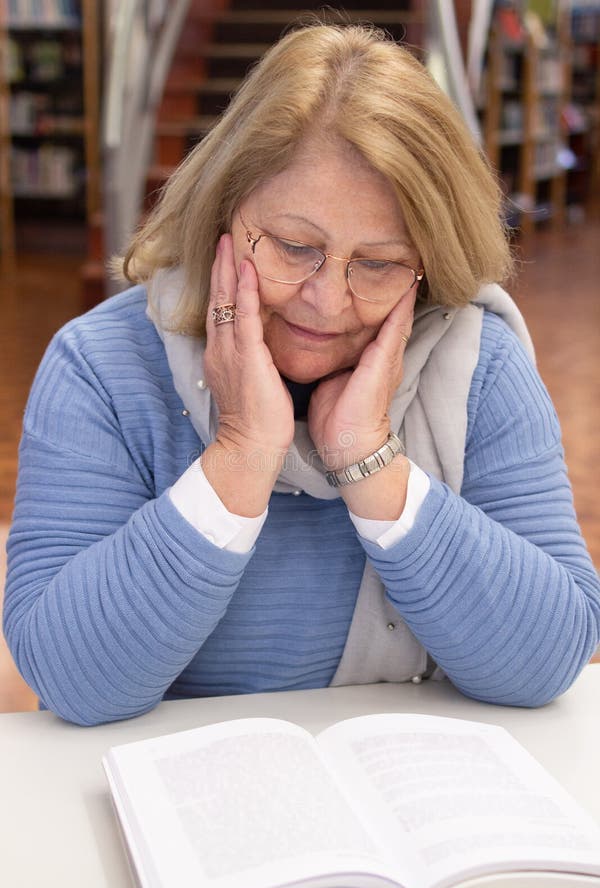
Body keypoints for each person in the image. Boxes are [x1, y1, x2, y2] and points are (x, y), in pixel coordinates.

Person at [4, 24, 599, 726]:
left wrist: (370, 460)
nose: (326, 300)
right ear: (222, 213)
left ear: (430, 266)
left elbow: (548, 660)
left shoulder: (477, 364)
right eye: (292, 246)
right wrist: (241, 455)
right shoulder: (101, 366)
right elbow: (72, 680)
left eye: (378, 263)